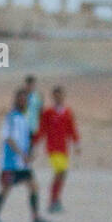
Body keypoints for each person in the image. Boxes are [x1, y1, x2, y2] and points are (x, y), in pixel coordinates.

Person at [0, 88, 51, 222]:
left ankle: (36, 217)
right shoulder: (11, 117)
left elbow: (28, 139)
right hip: (11, 163)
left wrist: (30, 154)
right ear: (16, 100)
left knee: (34, 186)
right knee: (5, 189)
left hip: (24, 164)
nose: (23, 102)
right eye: (21, 99)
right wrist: (20, 153)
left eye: (25, 99)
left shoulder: (25, 118)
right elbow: (8, 138)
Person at [34, 85, 81, 213]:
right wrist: (35, 144)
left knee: (63, 174)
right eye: (55, 95)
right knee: (59, 172)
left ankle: (56, 199)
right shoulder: (48, 113)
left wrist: (77, 143)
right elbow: (42, 129)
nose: (58, 97)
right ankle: (53, 200)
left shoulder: (67, 112)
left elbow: (71, 129)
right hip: (53, 147)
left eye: (60, 95)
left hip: (63, 148)